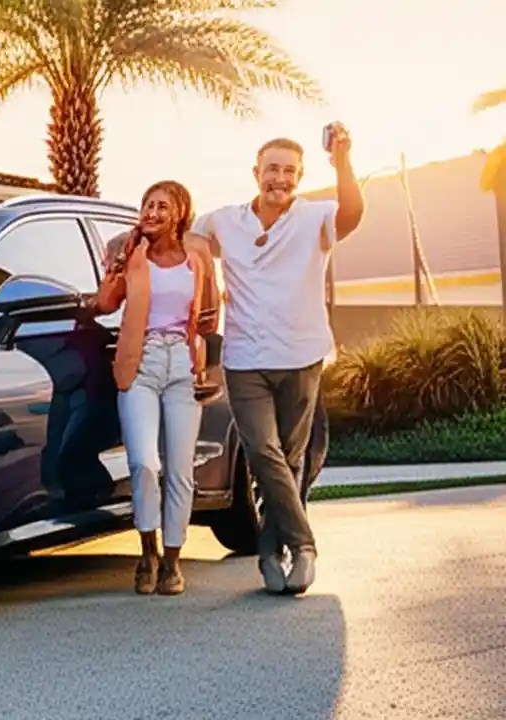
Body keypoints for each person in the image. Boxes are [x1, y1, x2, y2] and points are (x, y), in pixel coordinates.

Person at [191, 126, 364, 595]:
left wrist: (343, 162)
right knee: (263, 452)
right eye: (272, 169)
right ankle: (303, 546)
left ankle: (270, 551)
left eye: (289, 171)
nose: (280, 179)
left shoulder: (315, 217)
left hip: (302, 356)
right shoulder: (224, 222)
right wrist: (127, 244)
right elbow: (181, 241)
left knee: (289, 458)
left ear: (300, 175)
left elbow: (352, 214)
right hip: (245, 358)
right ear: (256, 173)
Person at [89, 180, 220, 596]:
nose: (153, 212)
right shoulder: (129, 250)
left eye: (163, 206)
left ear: (180, 213)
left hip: (183, 364)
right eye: (148, 205)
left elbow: (210, 315)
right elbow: (105, 304)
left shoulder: (197, 252)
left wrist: (207, 367)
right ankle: (146, 548)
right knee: (145, 462)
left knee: (181, 469)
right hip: (140, 363)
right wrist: (118, 261)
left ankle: (172, 561)